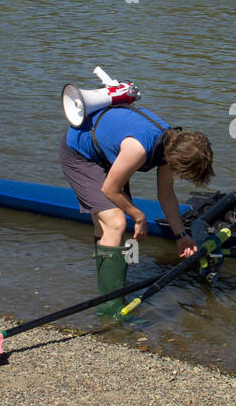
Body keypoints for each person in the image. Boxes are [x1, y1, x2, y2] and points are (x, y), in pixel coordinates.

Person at [59, 104, 215, 312]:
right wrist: (138, 216)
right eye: (184, 174)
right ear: (178, 163)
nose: (181, 177)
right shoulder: (139, 149)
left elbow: (166, 195)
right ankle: (111, 308)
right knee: (117, 222)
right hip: (78, 155)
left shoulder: (172, 143)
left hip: (101, 153)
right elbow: (110, 189)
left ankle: (108, 293)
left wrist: (181, 235)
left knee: (105, 226)